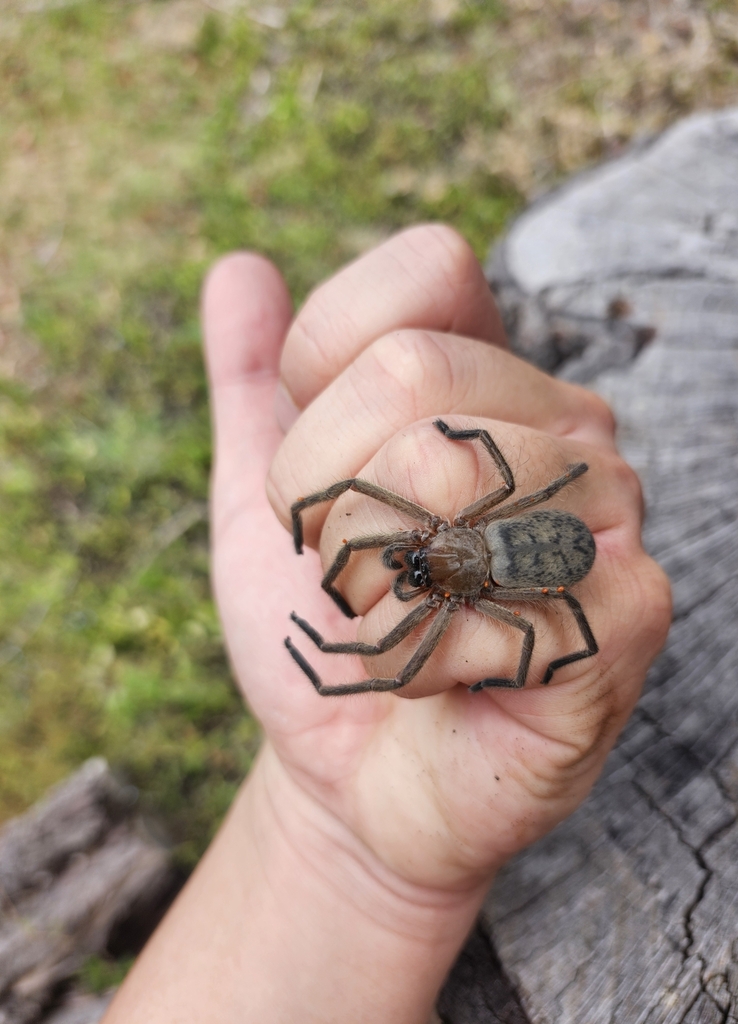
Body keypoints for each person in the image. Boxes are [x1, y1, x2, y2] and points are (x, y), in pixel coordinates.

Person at [103, 224, 671, 1023]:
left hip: (525, 552)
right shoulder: (442, 545)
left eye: (423, 558)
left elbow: (526, 534)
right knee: (407, 636)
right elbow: (483, 517)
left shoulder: (461, 571)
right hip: (498, 548)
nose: (413, 562)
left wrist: (452, 442)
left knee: (410, 653)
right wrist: (330, 521)